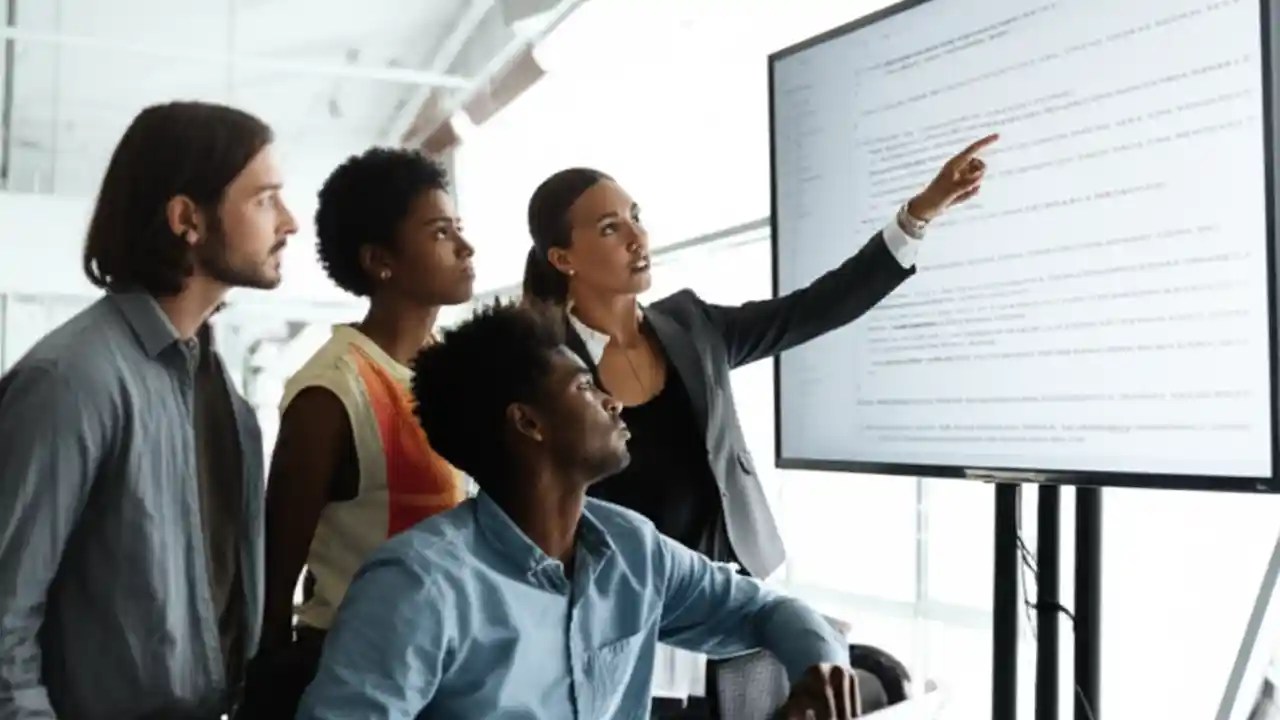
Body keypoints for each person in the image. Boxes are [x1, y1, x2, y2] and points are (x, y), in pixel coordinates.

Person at [296, 302, 869, 719]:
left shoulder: (632, 548)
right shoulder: (418, 585)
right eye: (584, 389)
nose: (612, 401)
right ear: (528, 423)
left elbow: (767, 610)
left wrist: (821, 665)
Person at [520, 134, 998, 579]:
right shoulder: (544, 364)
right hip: (623, 595)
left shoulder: (692, 325)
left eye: (636, 217)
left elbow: (815, 308)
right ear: (563, 259)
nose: (637, 238)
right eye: (610, 228)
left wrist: (918, 215)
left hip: (731, 583)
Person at [0, 101, 297, 719]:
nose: (289, 222)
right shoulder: (71, 381)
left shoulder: (221, 393)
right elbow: (5, 621)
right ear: (187, 218)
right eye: (265, 199)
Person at [240, 149, 474, 718]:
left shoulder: (460, 372)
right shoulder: (332, 392)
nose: (465, 248)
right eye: (440, 233)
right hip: (360, 672)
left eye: (459, 228)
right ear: (380, 260)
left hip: (449, 664)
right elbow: (276, 575)